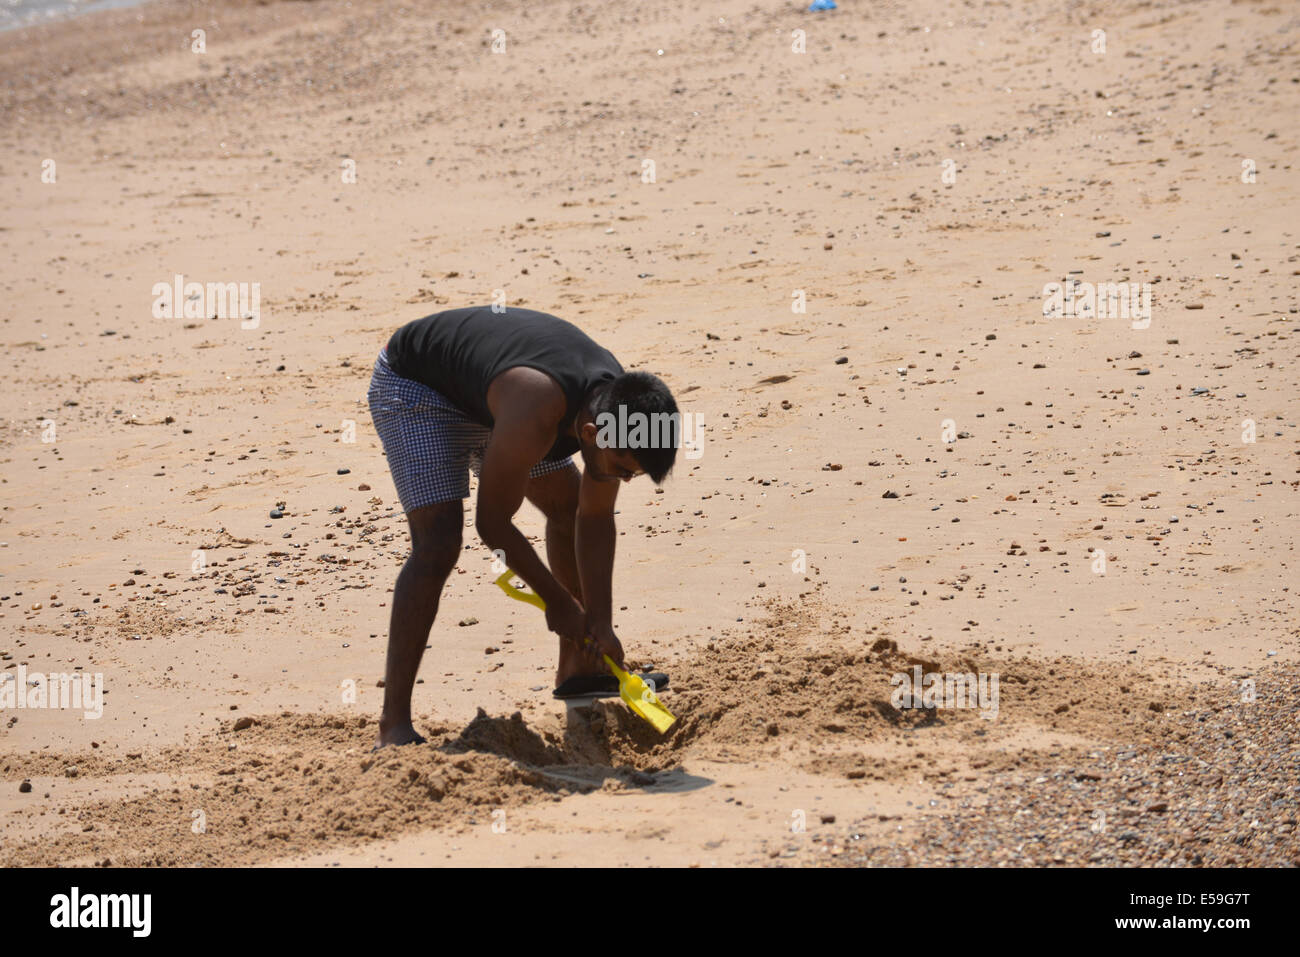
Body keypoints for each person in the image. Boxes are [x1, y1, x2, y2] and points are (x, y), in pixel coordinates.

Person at [367, 306, 678, 747]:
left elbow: (594, 517)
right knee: (439, 542)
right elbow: (492, 525)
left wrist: (601, 624)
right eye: (623, 470)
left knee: (570, 506)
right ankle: (394, 724)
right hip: (419, 388)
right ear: (590, 434)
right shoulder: (537, 407)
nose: (624, 480)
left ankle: (579, 667)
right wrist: (556, 601)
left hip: (495, 398)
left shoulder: (618, 408)